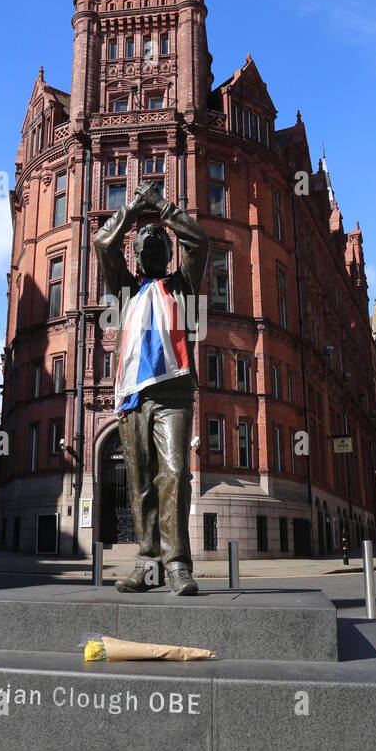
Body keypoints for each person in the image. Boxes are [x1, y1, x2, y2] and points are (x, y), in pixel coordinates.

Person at [94, 179, 209, 596]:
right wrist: (130, 211)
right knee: (139, 480)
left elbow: (198, 241)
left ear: (167, 252)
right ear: (138, 255)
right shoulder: (126, 290)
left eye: (159, 239)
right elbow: (102, 243)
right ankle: (147, 563)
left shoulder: (182, 285)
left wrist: (161, 207)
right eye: (145, 241)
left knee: (174, 474)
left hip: (174, 391)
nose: (152, 243)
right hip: (132, 395)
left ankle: (177, 564)